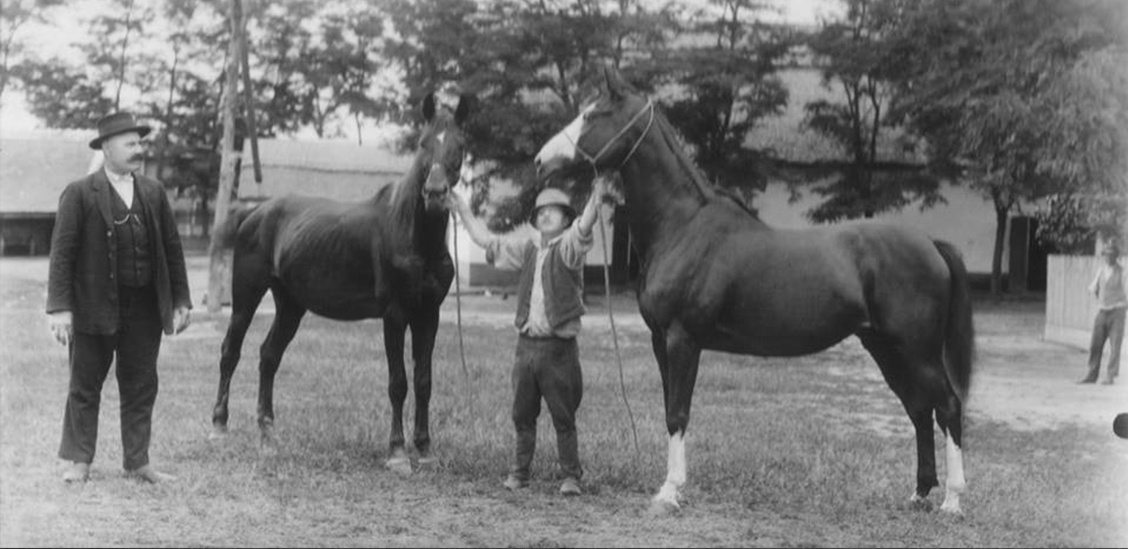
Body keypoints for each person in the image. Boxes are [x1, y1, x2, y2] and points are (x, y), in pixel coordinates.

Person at [46, 112, 192, 484]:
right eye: (130, 144)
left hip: (144, 309)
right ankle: (79, 460)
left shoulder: (153, 193)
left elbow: (172, 250)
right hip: (93, 307)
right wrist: (60, 309)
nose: (138, 150)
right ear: (107, 148)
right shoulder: (80, 193)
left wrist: (181, 299)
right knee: (84, 384)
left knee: (142, 384)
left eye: (139, 143)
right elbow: (62, 255)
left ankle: (138, 462)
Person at [448, 178, 609, 496]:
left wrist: (597, 196)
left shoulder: (569, 249)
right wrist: (462, 208)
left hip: (558, 349)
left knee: (563, 416)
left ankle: (571, 477)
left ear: (566, 219)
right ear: (535, 220)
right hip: (525, 348)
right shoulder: (526, 250)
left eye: (554, 210)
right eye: (541, 211)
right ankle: (520, 473)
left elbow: (584, 227)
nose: (546, 215)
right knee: (522, 415)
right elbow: (486, 241)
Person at [1078, 241, 1126, 385]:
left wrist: (1121, 306)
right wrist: (1099, 298)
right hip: (1102, 311)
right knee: (1095, 343)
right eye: (1106, 254)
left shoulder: (1123, 272)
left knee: (1115, 345)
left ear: (1116, 256)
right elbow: (1093, 288)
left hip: (1117, 311)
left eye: (1112, 255)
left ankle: (1110, 375)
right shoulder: (1101, 270)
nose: (1109, 257)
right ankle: (1091, 374)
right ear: (1103, 256)